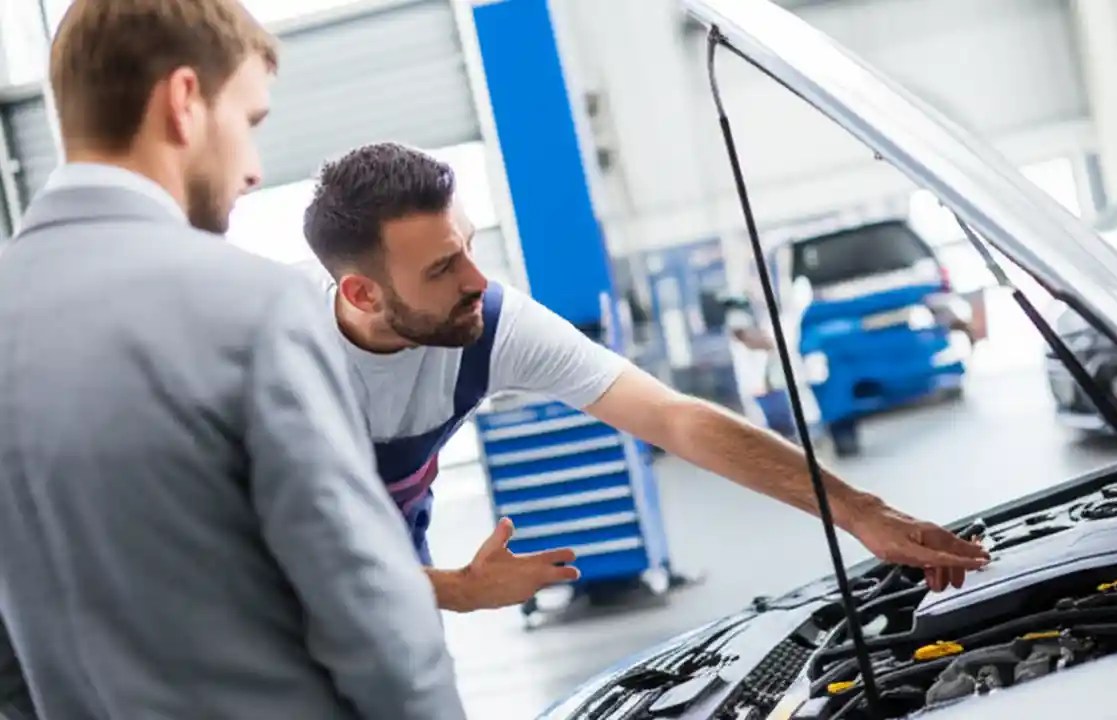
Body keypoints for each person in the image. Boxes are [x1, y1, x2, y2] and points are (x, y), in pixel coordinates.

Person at [0, 3, 464, 718]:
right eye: (249, 123)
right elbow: (375, 622)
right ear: (184, 102)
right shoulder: (250, 308)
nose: (251, 171)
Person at [298, 142, 991, 614]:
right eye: (443, 267)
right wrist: (460, 590)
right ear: (361, 294)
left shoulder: (489, 320)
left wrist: (859, 511)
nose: (477, 279)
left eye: (471, 247)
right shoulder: (278, 372)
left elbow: (671, 417)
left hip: (392, 588)